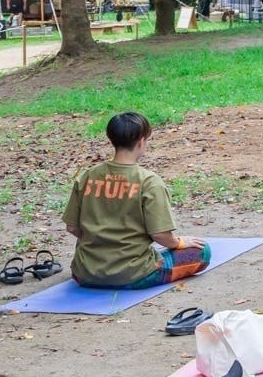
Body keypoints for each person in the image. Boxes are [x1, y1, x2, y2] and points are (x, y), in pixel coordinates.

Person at [64, 112, 210, 289]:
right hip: (134, 274)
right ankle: (130, 279)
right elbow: (160, 235)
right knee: (202, 252)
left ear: (112, 139)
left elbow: (72, 227)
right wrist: (179, 242)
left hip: (85, 274)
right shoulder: (149, 182)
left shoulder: (87, 176)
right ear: (141, 141)